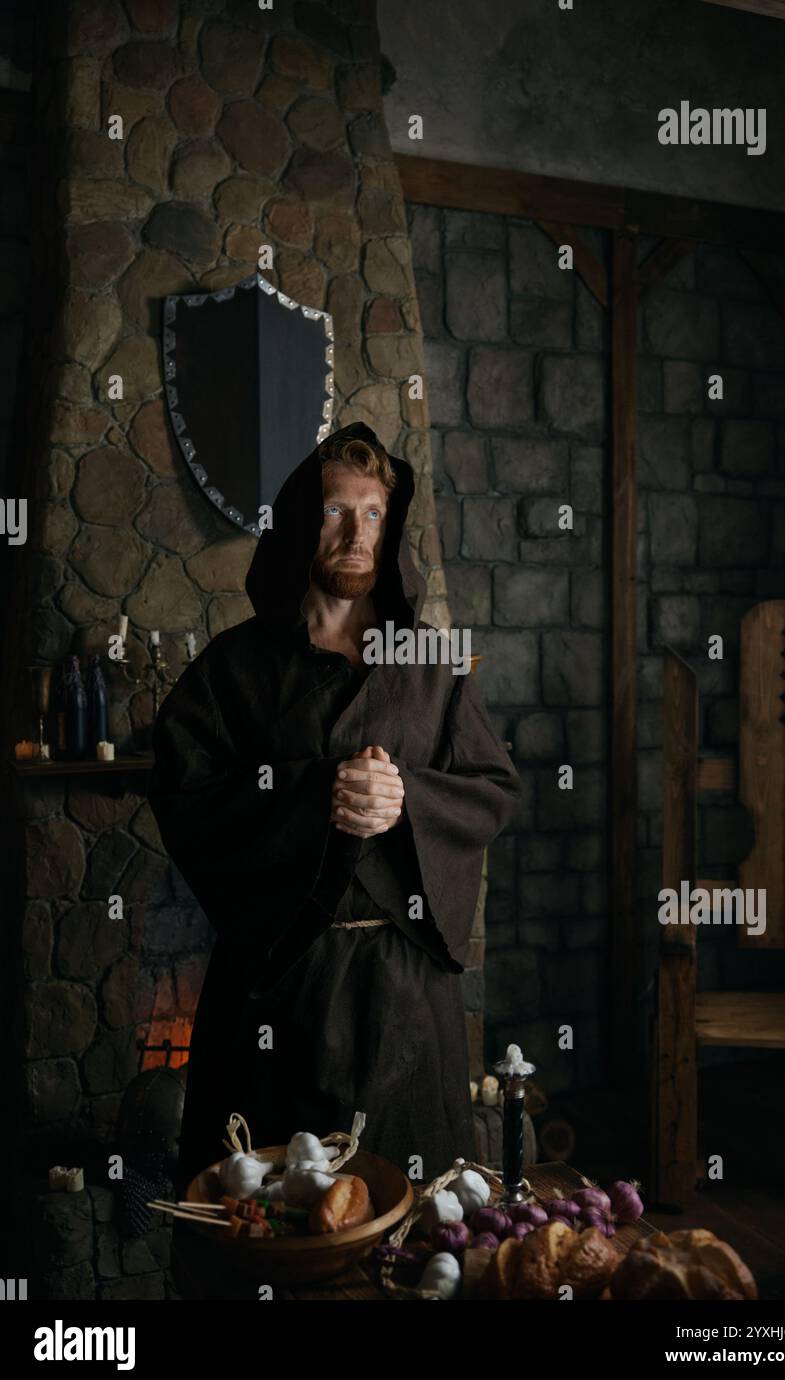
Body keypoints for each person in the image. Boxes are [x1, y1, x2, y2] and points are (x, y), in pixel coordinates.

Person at [148, 422, 520, 1191]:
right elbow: (185, 796)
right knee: (276, 1227)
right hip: (278, 993)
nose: (357, 533)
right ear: (298, 524)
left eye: (374, 513)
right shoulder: (235, 665)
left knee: (418, 1230)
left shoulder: (433, 664)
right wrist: (313, 793)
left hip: (407, 997)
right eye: (335, 511)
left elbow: (492, 789)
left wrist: (405, 798)